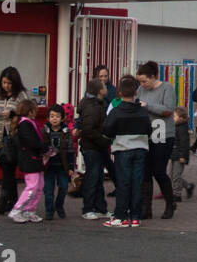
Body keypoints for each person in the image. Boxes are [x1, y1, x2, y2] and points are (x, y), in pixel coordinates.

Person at [102, 76, 151, 228]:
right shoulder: (142, 111)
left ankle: (120, 216)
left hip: (123, 149)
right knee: (137, 183)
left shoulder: (116, 112)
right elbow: (149, 129)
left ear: (120, 93)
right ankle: (135, 217)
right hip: (140, 149)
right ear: (136, 92)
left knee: (123, 183)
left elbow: (107, 130)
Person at [0, 67, 29, 213]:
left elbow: (26, 114)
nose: (6, 86)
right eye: (4, 83)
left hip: (12, 138)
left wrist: (12, 114)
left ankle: (4, 201)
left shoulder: (21, 96)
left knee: (8, 169)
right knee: (6, 170)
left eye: (9, 83)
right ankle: (12, 201)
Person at [135, 61, 177, 221]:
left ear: (153, 77)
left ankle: (170, 203)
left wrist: (147, 105)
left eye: (144, 81)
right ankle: (146, 208)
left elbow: (168, 110)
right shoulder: (141, 90)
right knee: (145, 172)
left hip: (163, 135)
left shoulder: (167, 88)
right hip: (146, 135)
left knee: (159, 171)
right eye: (140, 81)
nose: (142, 84)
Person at [75, 78, 112, 220]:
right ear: (99, 91)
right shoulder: (93, 107)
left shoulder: (98, 104)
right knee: (93, 178)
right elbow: (88, 129)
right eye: (104, 86)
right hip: (92, 147)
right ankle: (88, 208)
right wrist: (103, 140)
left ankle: (100, 208)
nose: (106, 87)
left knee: (97, 178)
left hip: (95, 146)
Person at [7, 99, 47, 223]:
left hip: (34, 158)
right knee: (32, 186)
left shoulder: (29, 123)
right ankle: (17, 210)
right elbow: (32, 142)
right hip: (30, 159)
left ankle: (30, 210)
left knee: (39, 186)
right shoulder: (25, 124)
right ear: (30, 111)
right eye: (35, 110)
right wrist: (44, 147)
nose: (36, 112)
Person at [42, 106, 75, 220]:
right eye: (52, 116)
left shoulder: (66, 132)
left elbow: (70, 150)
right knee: (48, 190)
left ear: (62, 118)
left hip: (62, 165)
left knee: (64, 187)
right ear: (48, 118)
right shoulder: (44, 131)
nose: (54, 119)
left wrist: (71, 167)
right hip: (48, 166)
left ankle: (59, 205)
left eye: (57, 116)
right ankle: (49, 210)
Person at [169, 106, 195, 205]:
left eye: (175, 116)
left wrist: (182, 156)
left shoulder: (182, 129)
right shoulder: (176, 126)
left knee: (176, 175)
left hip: (179, 156)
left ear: (181, 118)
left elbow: (184, 144)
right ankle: (188, 186)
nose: (173, 118)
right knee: (172, 175)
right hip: (174, 154)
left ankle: (177, 194)